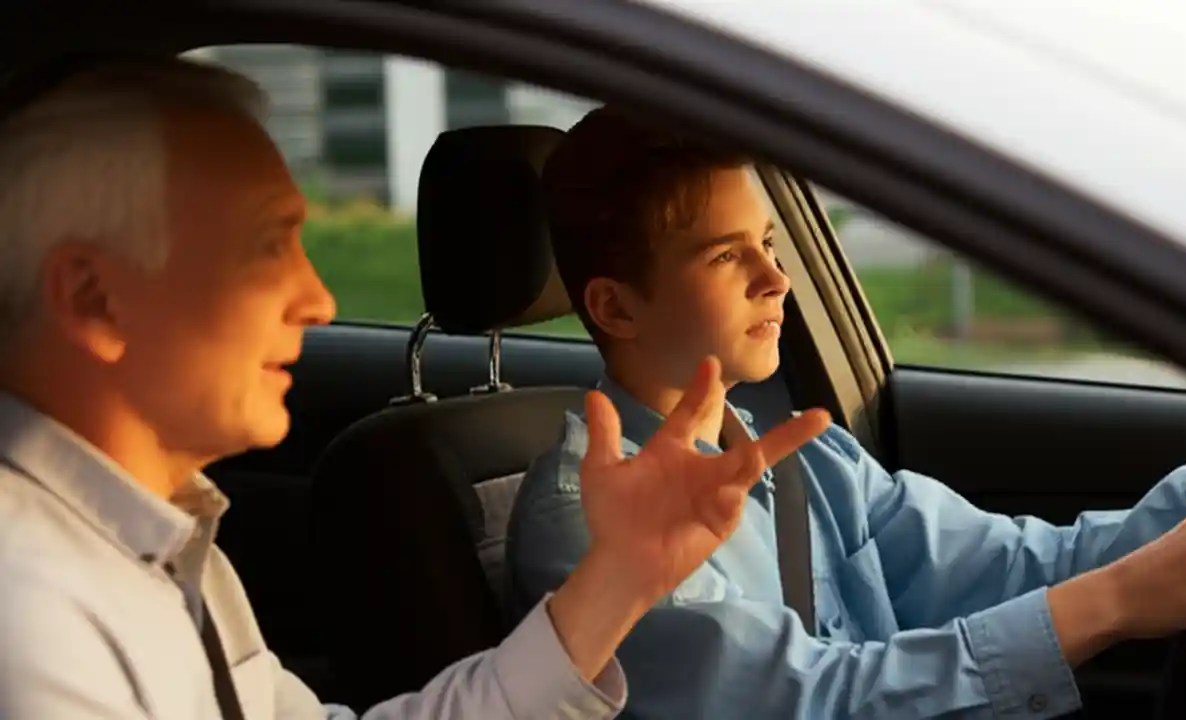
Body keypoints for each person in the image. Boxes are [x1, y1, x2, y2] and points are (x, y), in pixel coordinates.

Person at [0, 57, 829, 719]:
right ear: (94, 300)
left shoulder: (163, 547)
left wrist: (619, 583)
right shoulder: (29, 615)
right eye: (264, 247)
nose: (317, 299)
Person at [505, 105, 1186, 719]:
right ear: (616, 306)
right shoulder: (587, 521)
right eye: (724, 255)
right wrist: (1114, 603)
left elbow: (1011, 565)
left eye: (769, 243)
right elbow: (804, 703)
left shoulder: (805, 457)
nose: (776, 279)